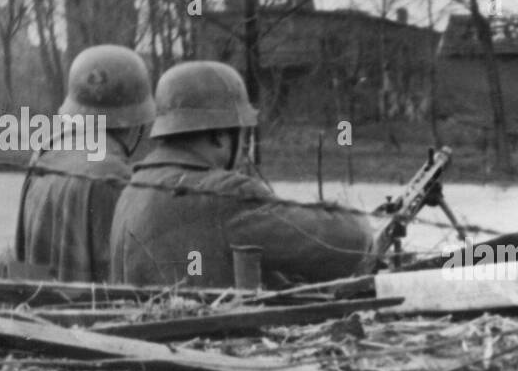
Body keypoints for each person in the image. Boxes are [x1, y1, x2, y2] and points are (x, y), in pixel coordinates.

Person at [109, 61, 379, 289]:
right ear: (219, 135)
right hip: (211, 349)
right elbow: (351, 241)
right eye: (243, 132)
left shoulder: (132, 189)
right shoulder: (224, 195)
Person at [14, 45, 156, 282]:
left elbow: (20, 261)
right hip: (92, 316)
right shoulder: (115, 176)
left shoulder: (43, 156)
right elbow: (126, 276)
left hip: (36, 309)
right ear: (137, 121)